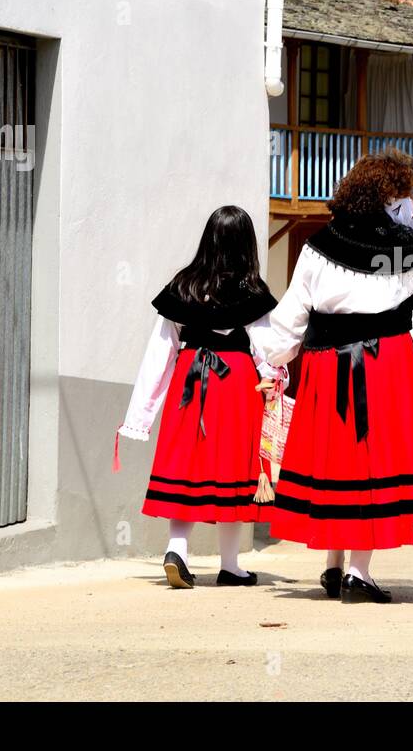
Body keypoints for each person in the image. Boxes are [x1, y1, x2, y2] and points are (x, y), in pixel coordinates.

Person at [256, 149, 413, 604]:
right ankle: (359, 573)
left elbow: (292, 314)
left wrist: (274, 361)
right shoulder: (403, 250)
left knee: (334, 461)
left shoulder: (317, 246)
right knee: (371, 465)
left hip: (327, 364)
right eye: (404, 197)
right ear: (391, 200)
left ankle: (332, 565)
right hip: (383, 363)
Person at [115, 205, 286, 589]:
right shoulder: (253, 292)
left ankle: (178, 549)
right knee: (233, 468)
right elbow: (266, 349)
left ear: (208, 239)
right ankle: (230, 565)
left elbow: (159, 352)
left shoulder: (183, 286)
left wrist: (140, 416)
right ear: (246, 244)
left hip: (191, 380)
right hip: (238, 384)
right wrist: (274, 380)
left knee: (186, 463)